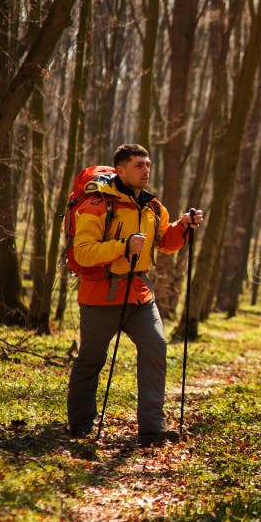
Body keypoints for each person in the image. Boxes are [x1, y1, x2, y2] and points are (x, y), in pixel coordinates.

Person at [67, 143, 204, 447]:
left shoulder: (152, 206)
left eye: (148, 164)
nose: (146, 170)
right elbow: (84, 253)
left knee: (155, 346)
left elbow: (165, 243)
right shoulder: (97, 205)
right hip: (101, 294)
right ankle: (80, 425)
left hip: (139, 294)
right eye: (139, 165)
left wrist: (182, 226)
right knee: (91, 359)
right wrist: (123, 246)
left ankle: (152, 428)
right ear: (120, 169)